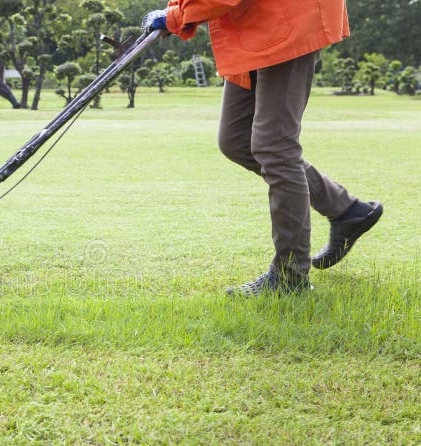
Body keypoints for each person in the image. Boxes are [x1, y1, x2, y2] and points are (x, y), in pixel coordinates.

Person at [144, 2, 383, 297]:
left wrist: (176, 16)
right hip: (253, 24)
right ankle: (347, 211)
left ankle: (290, 276)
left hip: (289, 16)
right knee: (236, 139)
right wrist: (179, 11)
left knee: (275, 146)